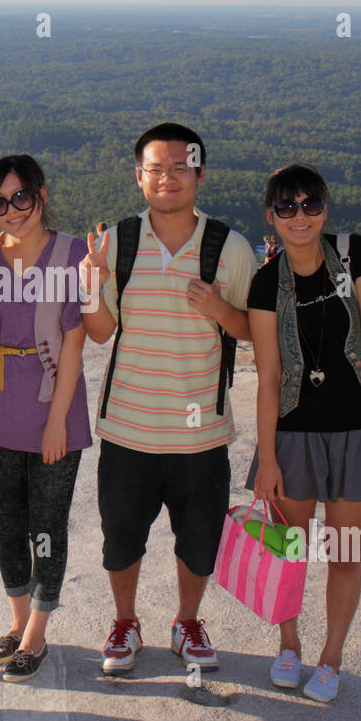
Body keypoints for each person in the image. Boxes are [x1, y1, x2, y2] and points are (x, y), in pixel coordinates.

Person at [78, 122, 255, 676]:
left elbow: (253, 329)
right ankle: (125, 621)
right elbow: (102, 331)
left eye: (181, 167)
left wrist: (220, 312)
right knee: (121, 538)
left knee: (198, 541)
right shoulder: (115, 242)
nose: (168, 178)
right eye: (156, 168)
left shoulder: (230, 247)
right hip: (128, 429)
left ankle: (187, 621)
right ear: (138, 177)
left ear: (200, 174)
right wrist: (89, 285)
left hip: (201, 436)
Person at [246, 162, 361, 703]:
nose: (301, 216)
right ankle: (288, 645)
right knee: (290, 548)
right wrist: (266, 458)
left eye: (311, 204)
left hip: (357, 427)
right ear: (271, 216)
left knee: (344, 552)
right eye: (287, 207)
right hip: (295, 432)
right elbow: (268, 377)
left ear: (325, 208)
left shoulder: (354, 253)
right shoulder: (267, 281)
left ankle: (331, 658)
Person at [0, 155, 91, 682]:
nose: (11, 211)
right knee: (8, 524)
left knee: (46, 528)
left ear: (41, 193)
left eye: (21, 197)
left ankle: (37, 632)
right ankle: (17, 621)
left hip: (52, 413)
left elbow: (76, 342)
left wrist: (57, 420)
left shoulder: (71, 253)